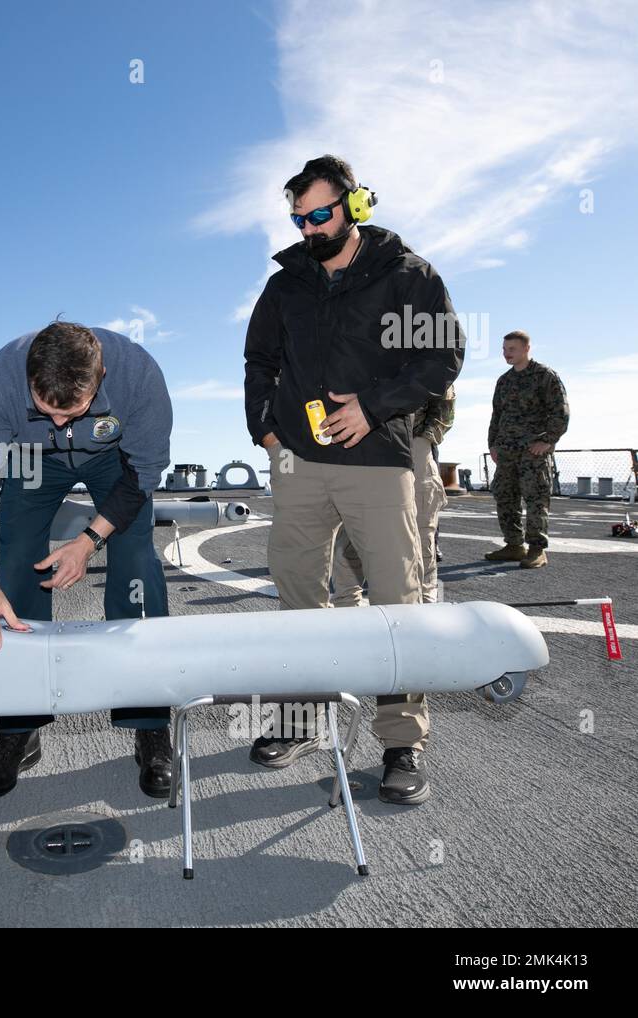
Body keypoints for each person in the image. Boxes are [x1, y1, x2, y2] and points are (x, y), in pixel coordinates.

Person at [243, 155, 464, 805]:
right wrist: (266, 430)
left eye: (320, 213)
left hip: (379, 459)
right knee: (302, 596)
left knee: (399, 598)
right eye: (298, 217)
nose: (309, 227)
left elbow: (443, 356)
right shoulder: (287, 284)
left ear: (355, 205)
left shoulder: (407, 275)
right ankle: (306, 718)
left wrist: (372, 407)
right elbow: (260, 358)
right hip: (301, 467)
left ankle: (402, 740)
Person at [0, 322, 174, 800]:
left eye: (72, 412)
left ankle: (148, 720)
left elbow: (145, 471)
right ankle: (19, 725)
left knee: (135, 563)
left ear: (102, 376)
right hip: (32, 459)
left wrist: (89, 539)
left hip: (115, 460)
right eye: (46, 411)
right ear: (29, 379)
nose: (60, 425)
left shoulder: (138, 374)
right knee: (16, 564)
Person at [332, 383, 455, 605]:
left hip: (412, 442)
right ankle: (347, 608)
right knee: (348, 534)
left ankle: (424, 607)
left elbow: (443, 394)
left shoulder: (422, 351)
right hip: (360, 443)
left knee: (419, 534)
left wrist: (421, 440)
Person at [485, 331, 570, 569]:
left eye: (511, 349)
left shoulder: (545, 376)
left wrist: (548, 441)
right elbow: (497, 415)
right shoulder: (504, 381)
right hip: (506, 451)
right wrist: (492, 444)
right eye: (504, 349)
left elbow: (560, 412)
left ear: (526, 349)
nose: (506, 353)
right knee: (505, 497)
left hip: (533, 452)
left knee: (535, 499)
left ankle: (536, 549)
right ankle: (514, 545)